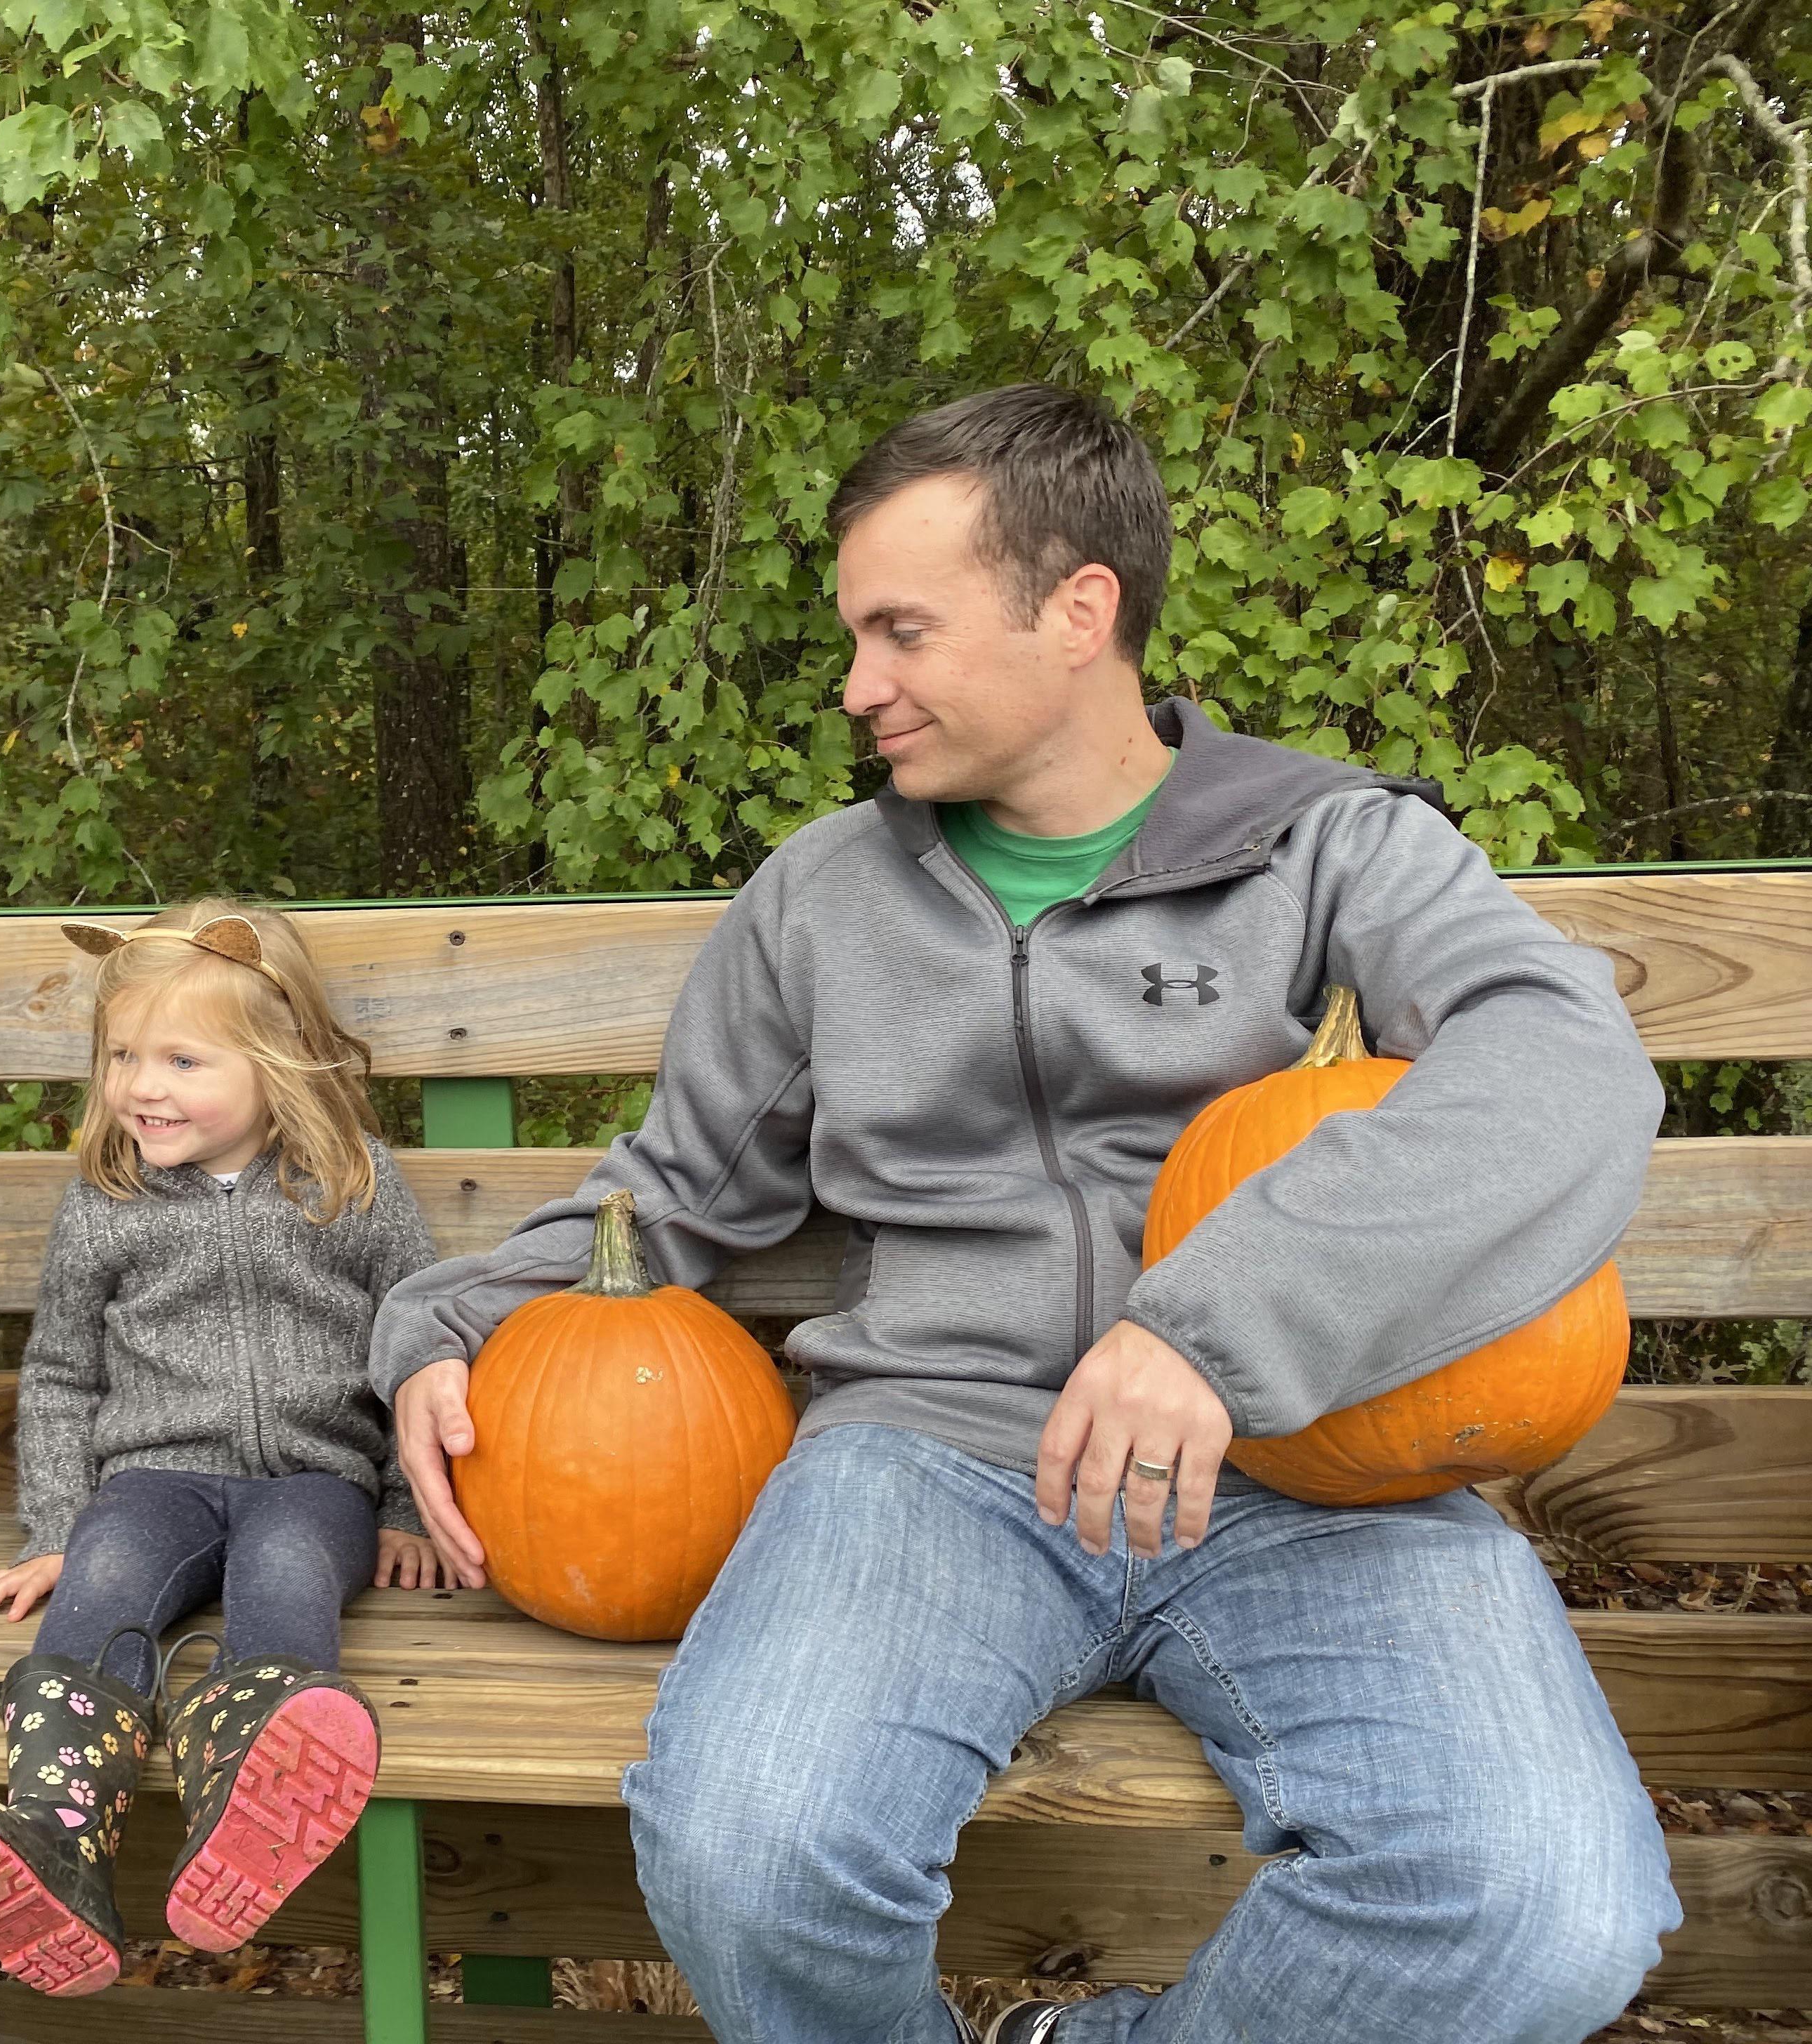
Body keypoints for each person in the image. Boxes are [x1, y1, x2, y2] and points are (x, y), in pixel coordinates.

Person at [373, 385, 1681, 2044]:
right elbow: (670, 1198)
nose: (859, 688)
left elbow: (1562, 1064)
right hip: (933, 1465)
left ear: (1078, 611)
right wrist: (449, 1326)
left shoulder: (1334, 846)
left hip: (1314, 1472)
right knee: (751, 1849)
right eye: (855, 639)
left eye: (900, 631)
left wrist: (1216, 1332)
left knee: (1541, 1913)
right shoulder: (822, 899)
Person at [0, 899, 445, 1998]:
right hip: (153, 1476)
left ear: (279, 1062)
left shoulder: (356, 1183)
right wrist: (54, 1527)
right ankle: (55, 1839)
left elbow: (416, 1349)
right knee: (103, 1573)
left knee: (285, 1573)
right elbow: (60, 1376)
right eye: (123, 1055)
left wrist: (406, 1511)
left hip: (310, 1481)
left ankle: (246, 1792)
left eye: (182, 1059)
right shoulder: (108, 1202)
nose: (143, 1086)